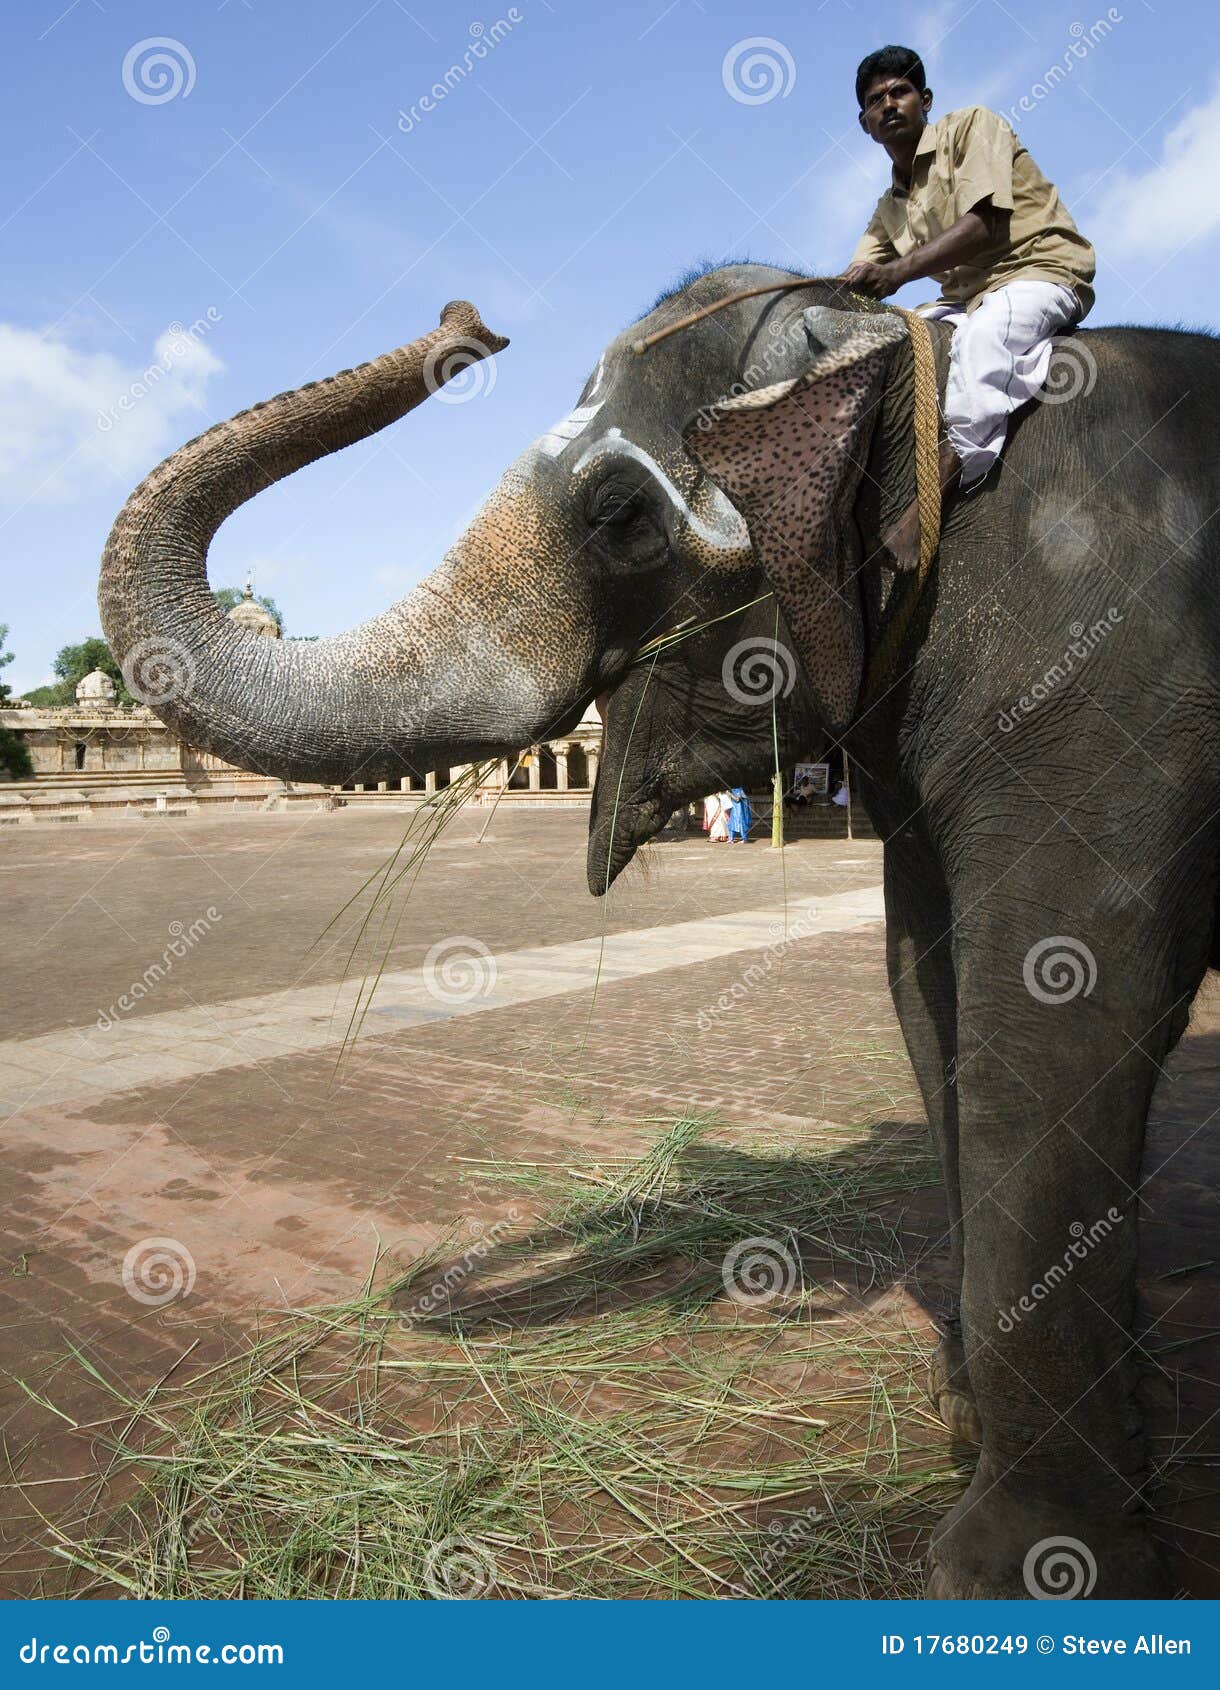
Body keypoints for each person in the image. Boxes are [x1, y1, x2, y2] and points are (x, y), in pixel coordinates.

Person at [840, 45, 1096, 570]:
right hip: (964, 300)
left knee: (983, 343)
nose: (889, 104)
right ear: (865, 123)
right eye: (875, 100)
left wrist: (894, 274)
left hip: (1038, 272)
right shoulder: (888, 207)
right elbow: (852, 281)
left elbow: (981, 228)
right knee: (891, 341)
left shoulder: (974, 127)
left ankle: (934, 498)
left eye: (900, 92)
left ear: (925, 99)